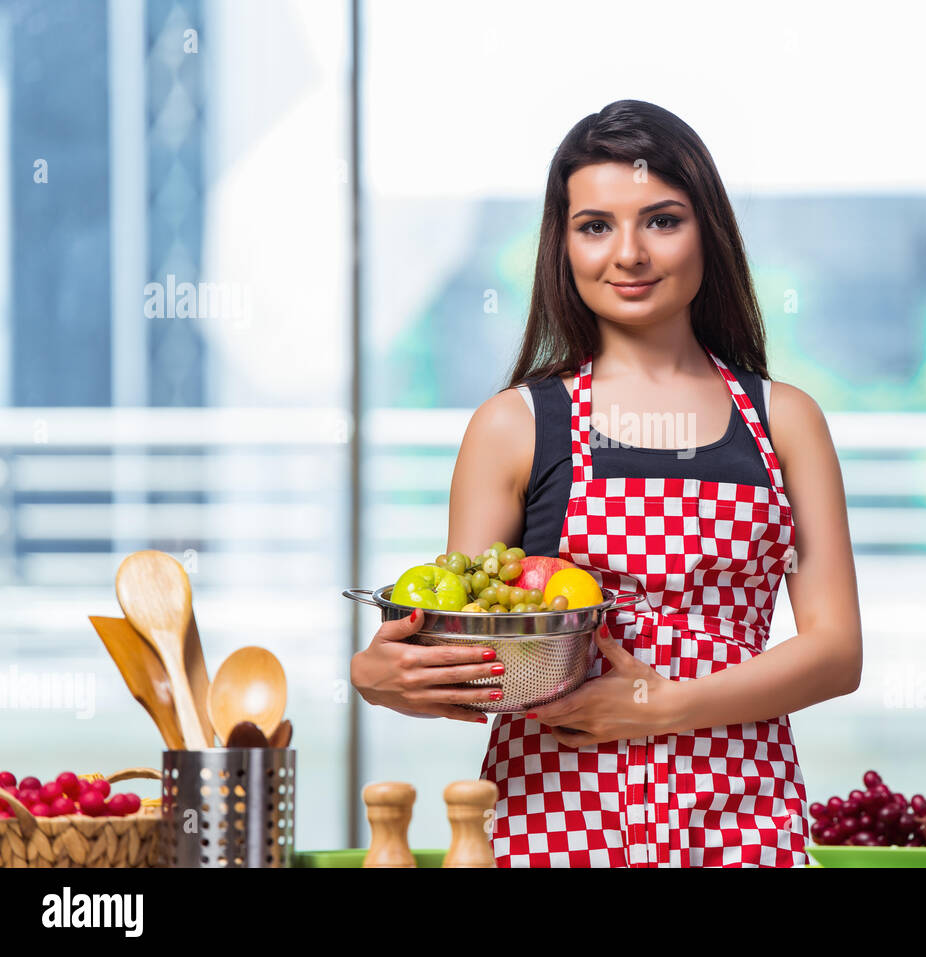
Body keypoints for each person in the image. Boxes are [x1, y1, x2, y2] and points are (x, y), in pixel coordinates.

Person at [351, 99, 862, 867]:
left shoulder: (785, 421)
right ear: (563, 244)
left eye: (661, 220)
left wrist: (665, 705)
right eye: (595, 226)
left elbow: (836, 651)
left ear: (708, 234)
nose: (628, 253)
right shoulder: (512, 425)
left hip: (743, 820)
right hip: (548, 819)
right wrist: (380, 677)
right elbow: (470, 646)